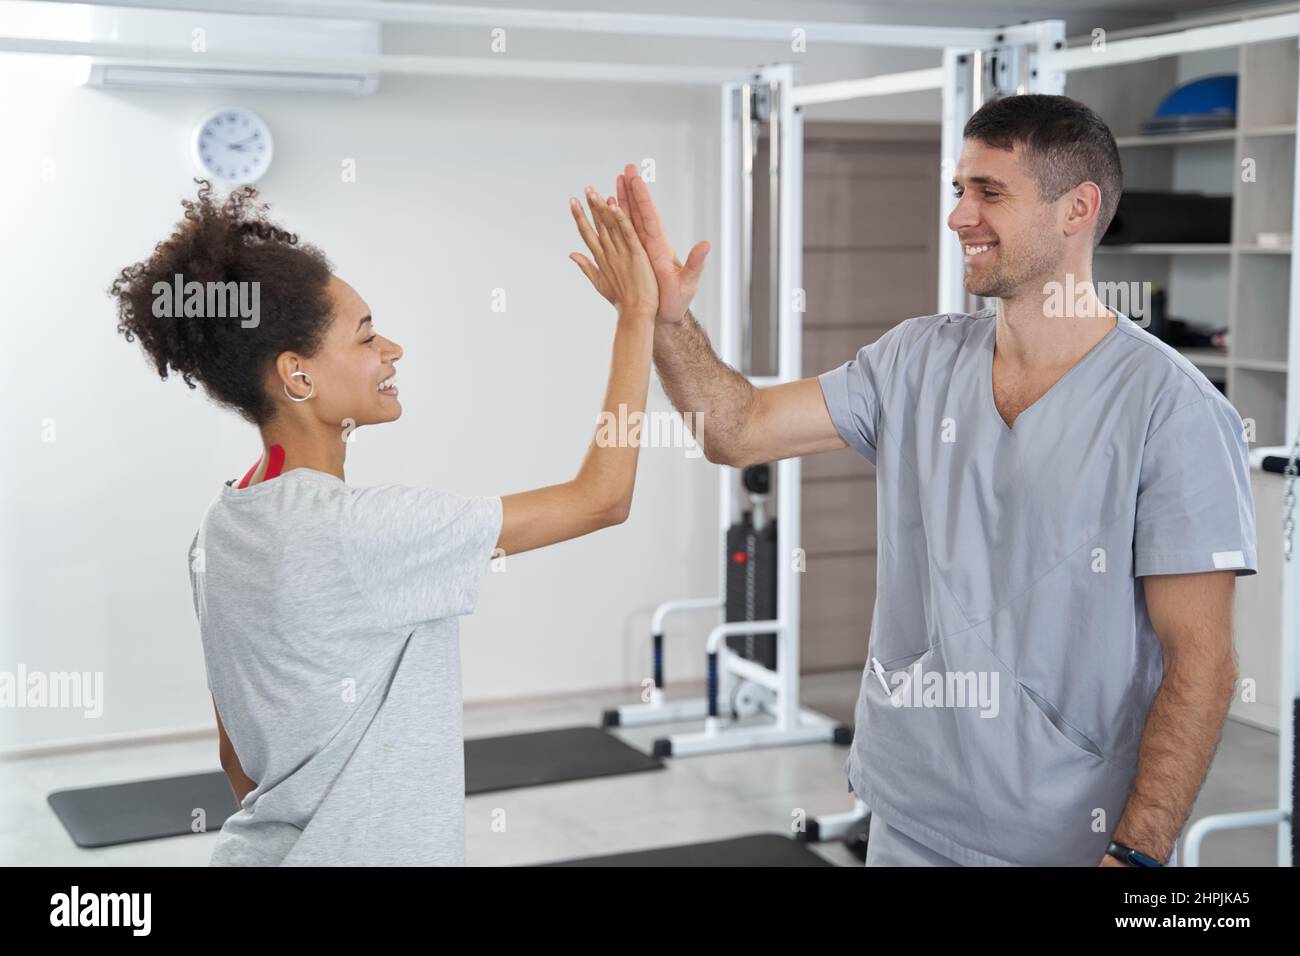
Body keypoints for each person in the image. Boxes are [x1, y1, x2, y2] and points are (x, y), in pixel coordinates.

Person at [610, 93, 1258, 867]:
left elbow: (1203, 665)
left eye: (990, 192)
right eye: (960, 191)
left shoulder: (1171, 410)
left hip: (1064, 836)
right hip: (906, 811)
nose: (959, 217)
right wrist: (667, 320)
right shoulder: (914, 361)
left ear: (1077, 209)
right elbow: (734, 429)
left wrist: (1139, 855)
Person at [109, 178, 658, 865]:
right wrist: (638, 316)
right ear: (298, 376)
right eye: (367, 336)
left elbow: (238, 758)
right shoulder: (368, 532)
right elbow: (603, 497)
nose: (393, 349)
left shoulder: (217, 532)